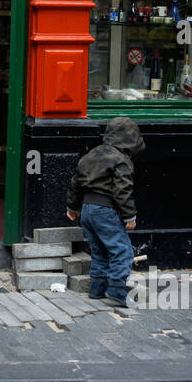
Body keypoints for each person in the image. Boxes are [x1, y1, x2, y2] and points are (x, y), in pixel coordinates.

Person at [66, 117, 146, 307]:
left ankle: (97, 288)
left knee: (99, 250)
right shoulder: (121, 160)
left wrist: (72, 207)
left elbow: (76, 182)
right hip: (105, 210)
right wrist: (129, 216)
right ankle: (117, 290)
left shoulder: (91, 155)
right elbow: (122, 190)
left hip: (86, 209)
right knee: (122, 251)